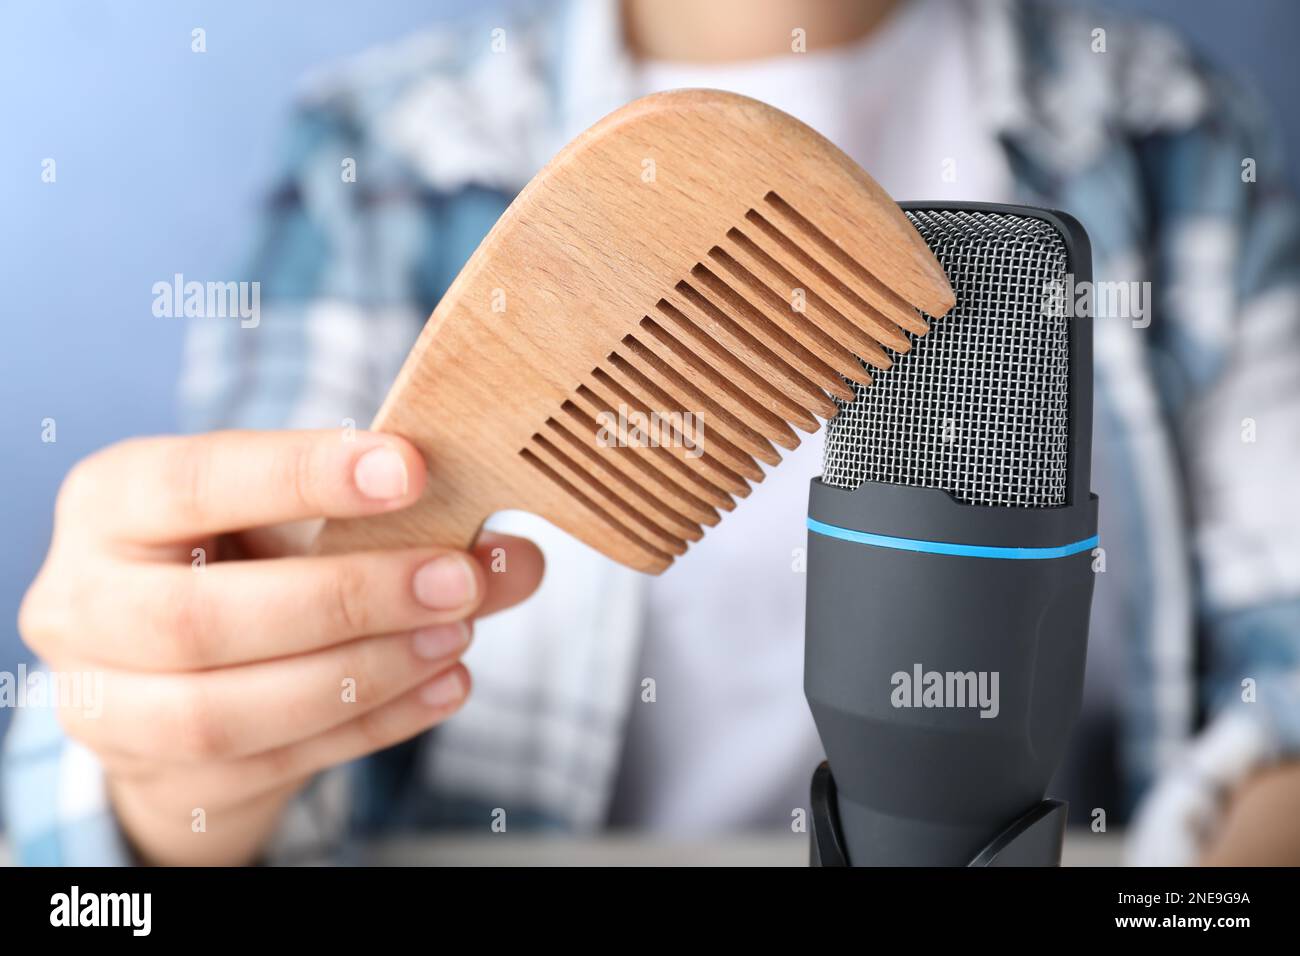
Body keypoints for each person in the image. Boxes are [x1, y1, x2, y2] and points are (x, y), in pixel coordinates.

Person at [6, 0, 1300, 866]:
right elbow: (190, 764)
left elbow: (1287, 690)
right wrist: (167, 770)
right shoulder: (392, 161)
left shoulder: (1172, 136)